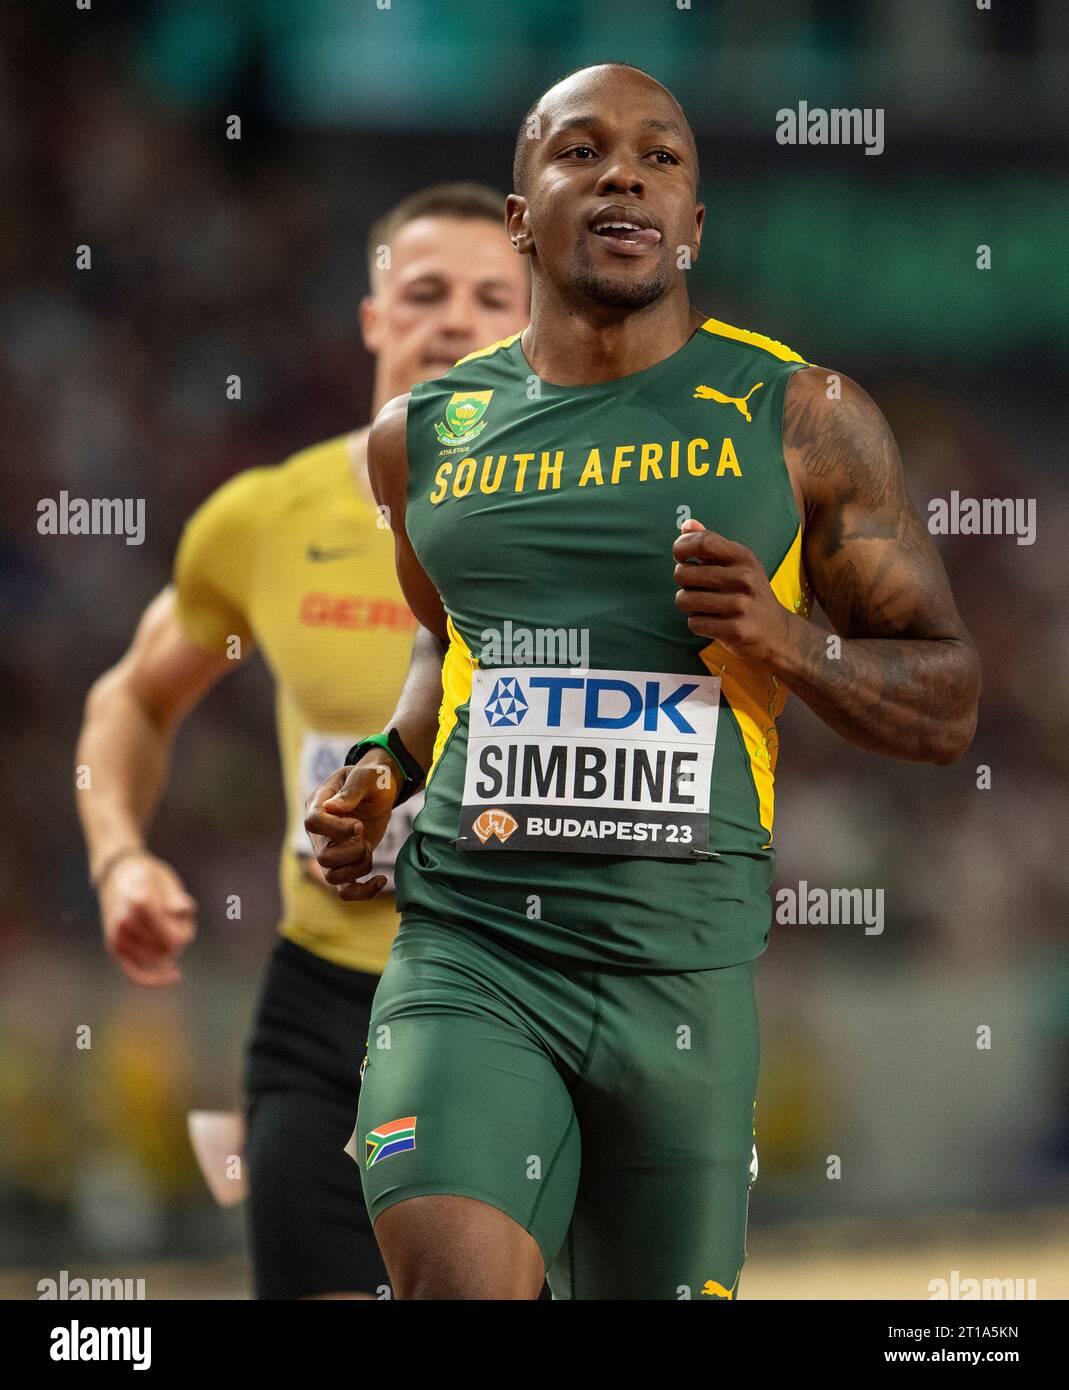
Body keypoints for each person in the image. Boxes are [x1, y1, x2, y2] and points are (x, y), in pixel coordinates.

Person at [304, 63, 981, 1301]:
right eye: (581, 151)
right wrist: (385, 764)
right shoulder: (423, 435)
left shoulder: (801, 418)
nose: (624, 173)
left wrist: (790, 643)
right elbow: (440, 641)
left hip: (683, 977)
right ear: (520, 214)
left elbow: (948, 700)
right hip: (470, 950)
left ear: (694, 223)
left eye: (660, 157)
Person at [75, 183, 530, 1299]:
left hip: (523, 1001)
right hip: (325, 1008)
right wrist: (119, 853)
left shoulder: (590, 513)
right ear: (375, 318)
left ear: (534, 325)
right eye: (423, 293)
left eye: (491, 298)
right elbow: (131, 700)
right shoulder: (264, 516)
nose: (453, 321)